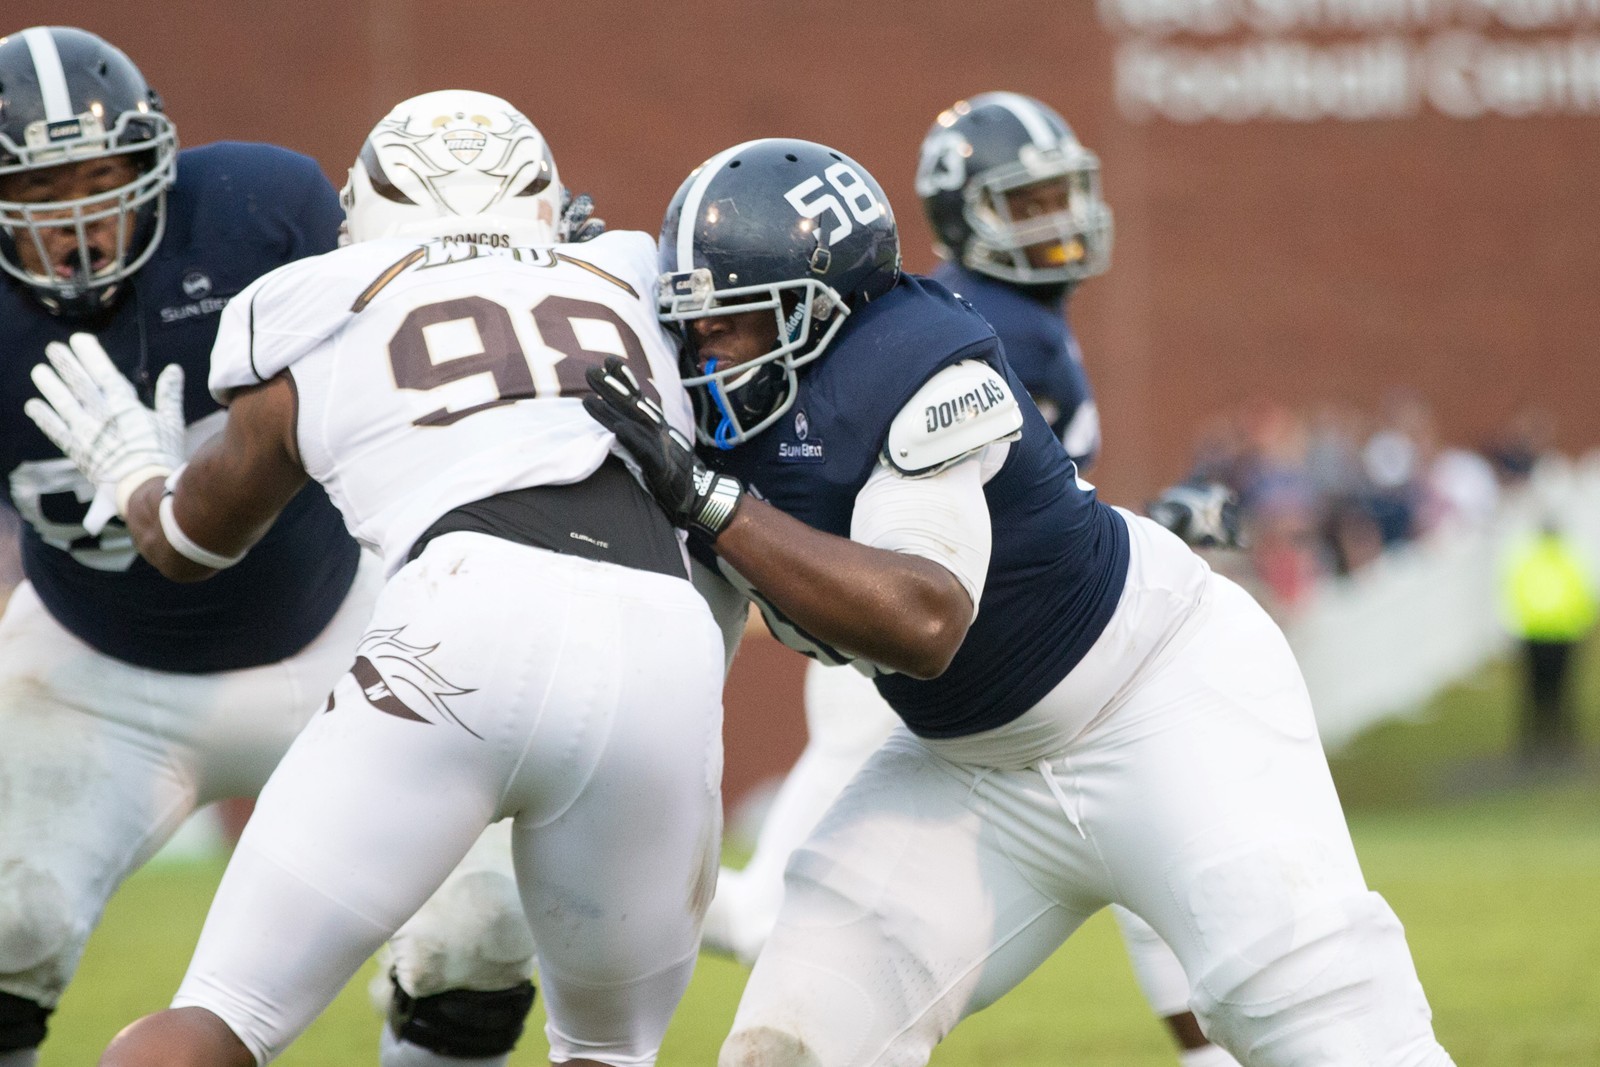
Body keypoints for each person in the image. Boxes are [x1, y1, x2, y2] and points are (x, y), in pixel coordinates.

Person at [583, 137, 1455, 1066]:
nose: (702, 352)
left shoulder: (922, 371)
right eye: (692, 325)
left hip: (1156, 698)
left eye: (731, 321)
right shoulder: (717, 420)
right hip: (969, 764)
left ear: (818, 309)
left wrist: (711, 502)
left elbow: (925, 620)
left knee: (1323, 1021)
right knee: (790, 1048)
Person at [25, 89, 725, 1067]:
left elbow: (189, 542)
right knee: (608, 1052)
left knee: (222, 1014)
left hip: (463, 619)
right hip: (662, 635)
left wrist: (137, 471)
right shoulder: (633, 273)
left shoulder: (318, 303)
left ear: (369, 208)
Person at [701, 94, 1236, 1066]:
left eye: (1059, 194)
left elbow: (1025, 519)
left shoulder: (1019, 321)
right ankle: (564, 886)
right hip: (909, 645)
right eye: (1026, 202)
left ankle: (1210, 1052)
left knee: (1157, 835)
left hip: (969, 637)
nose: (1057, 219)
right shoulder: (987, 330)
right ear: (963, 214)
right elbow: (967, 535)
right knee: (766, 919)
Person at [0, 26, 380, 1067]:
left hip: (338, 637)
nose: (78, 223)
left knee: (476, 932)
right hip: (95, 666)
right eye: (38, 193)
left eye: (101, 181)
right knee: (6, 926)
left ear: (155, 168)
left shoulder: (261, 212)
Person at [1499, 515, 1598, 765]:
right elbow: (1584, 595)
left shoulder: (1528, 561)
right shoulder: (1569, 561)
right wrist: (1585, 624)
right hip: (1563, 633)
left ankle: (1535, 739)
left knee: (1535, 688)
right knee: (1561, 687)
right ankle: (1559, 738)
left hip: (1534, 633)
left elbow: (1514, 593)